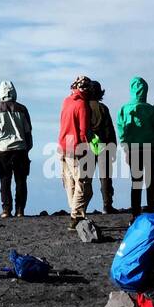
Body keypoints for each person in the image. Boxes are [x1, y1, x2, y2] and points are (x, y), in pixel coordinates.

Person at [118, 77, 154, 217]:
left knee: (136, 183)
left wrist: (125, 148)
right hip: (152, 149)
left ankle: (135, 214)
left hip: (133, 150)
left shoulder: (124, 109)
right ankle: (151, 212)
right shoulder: (152, 110)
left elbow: (122, 131)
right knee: (151, 183)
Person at [0, 80, 33, 218]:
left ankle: (6, 210)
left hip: (3, 150)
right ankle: (20, 210)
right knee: (21, 181)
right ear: (14, 92)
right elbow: (28, 131)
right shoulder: (22, 109)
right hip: (21, 149)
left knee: (4, 180)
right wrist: (28, 147)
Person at [59, 76, 95, 230]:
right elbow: (83, 131)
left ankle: (75, 212)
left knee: (70, 183)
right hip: (76, 147)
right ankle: (76, 216)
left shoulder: (66, 101)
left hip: (63, 145)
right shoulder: (82, 105)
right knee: (83, 183)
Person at [87, 80, 118, 213]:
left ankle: (81, 207)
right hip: (104, 146)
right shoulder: (103, 108)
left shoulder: (84, 107)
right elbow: (110, 130)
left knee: (86, 177)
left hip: (87, 146)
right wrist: (113, 147)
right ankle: (107, 205)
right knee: (105, 177)